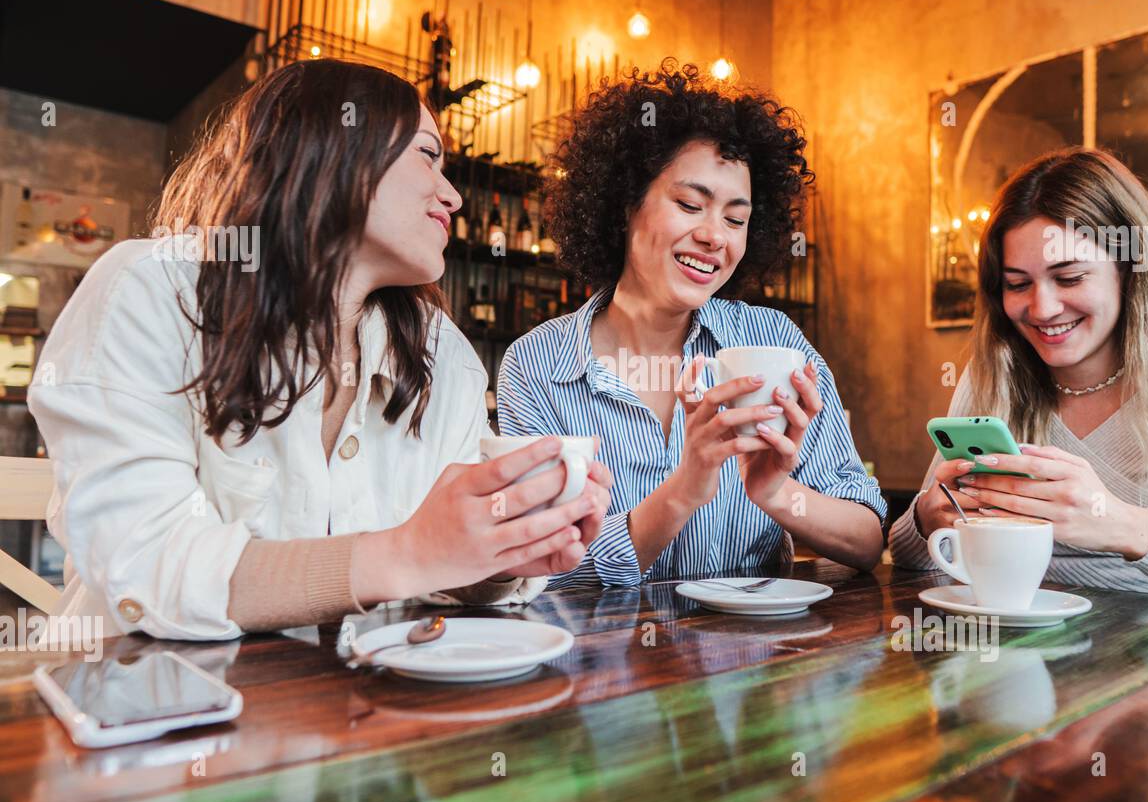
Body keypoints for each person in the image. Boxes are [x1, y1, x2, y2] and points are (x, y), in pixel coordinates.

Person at [28, 60, 611, 640]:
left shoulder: (443, 353)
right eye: (428, 157)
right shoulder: (152, 288)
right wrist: (406, 553)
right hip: (137, 707)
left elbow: (440, 571)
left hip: (354, 709)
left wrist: (501, 552)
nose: (454, 196)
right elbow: (150, 565)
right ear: (332, 145)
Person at [497, 62, 886, 587]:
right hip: (606, 665)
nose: (714, 237)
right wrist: (683, 491)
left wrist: (774, 493)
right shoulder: (536, 364)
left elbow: (866, 540)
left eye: (735, 219)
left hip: (753, 660)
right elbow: (537, 571)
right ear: (624, 205)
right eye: (689, 204)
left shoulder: (774, 346)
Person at [889, 147, 1148, 608]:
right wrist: (927, 517)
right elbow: (913, 563)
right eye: (1018, 284)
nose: (1042, 309)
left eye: (1070, 278)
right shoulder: (993, 376)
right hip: (1024, 654)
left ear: (1130, 272)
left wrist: (1129, 529)